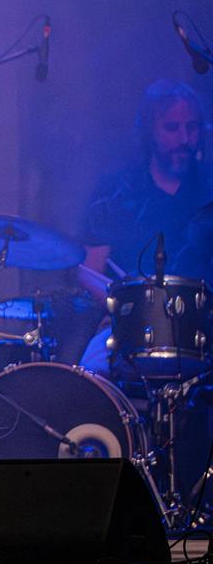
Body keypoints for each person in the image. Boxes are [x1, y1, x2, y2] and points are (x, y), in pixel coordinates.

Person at [78, 78, 212, 371]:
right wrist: (130, 307)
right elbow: (88, 271)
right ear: (150, 132)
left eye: (191, 128)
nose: (184, 139)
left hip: (203, 331)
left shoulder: (209, 189)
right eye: (172, 128)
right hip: (128, 330)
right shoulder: (117, 192)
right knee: (90, 375)